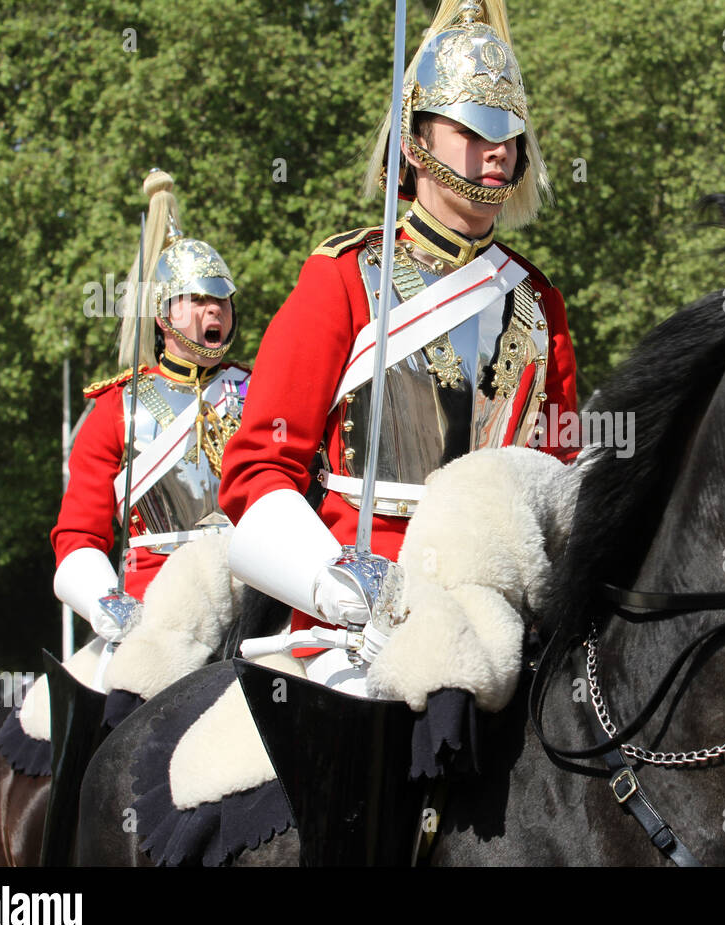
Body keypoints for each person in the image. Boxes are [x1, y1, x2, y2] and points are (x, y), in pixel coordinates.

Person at [221, 0, 579, 694]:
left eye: (508, 132)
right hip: (355, 615)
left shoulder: (537, 300)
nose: (497, 149)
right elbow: (260, 465)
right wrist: (338, 586)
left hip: (499, 611)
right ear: (416, 145)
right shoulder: (344, 276)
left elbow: (556, 477)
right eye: (472, 129)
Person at [52, 170, 250, 644]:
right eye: (198, 299)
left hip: (254, 601)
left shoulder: (257, 391)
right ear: (163, 315)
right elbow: (79, 536)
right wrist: (110, 607)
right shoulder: (117, 409)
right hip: (154, 615)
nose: (214, 312)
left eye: (221, 300)